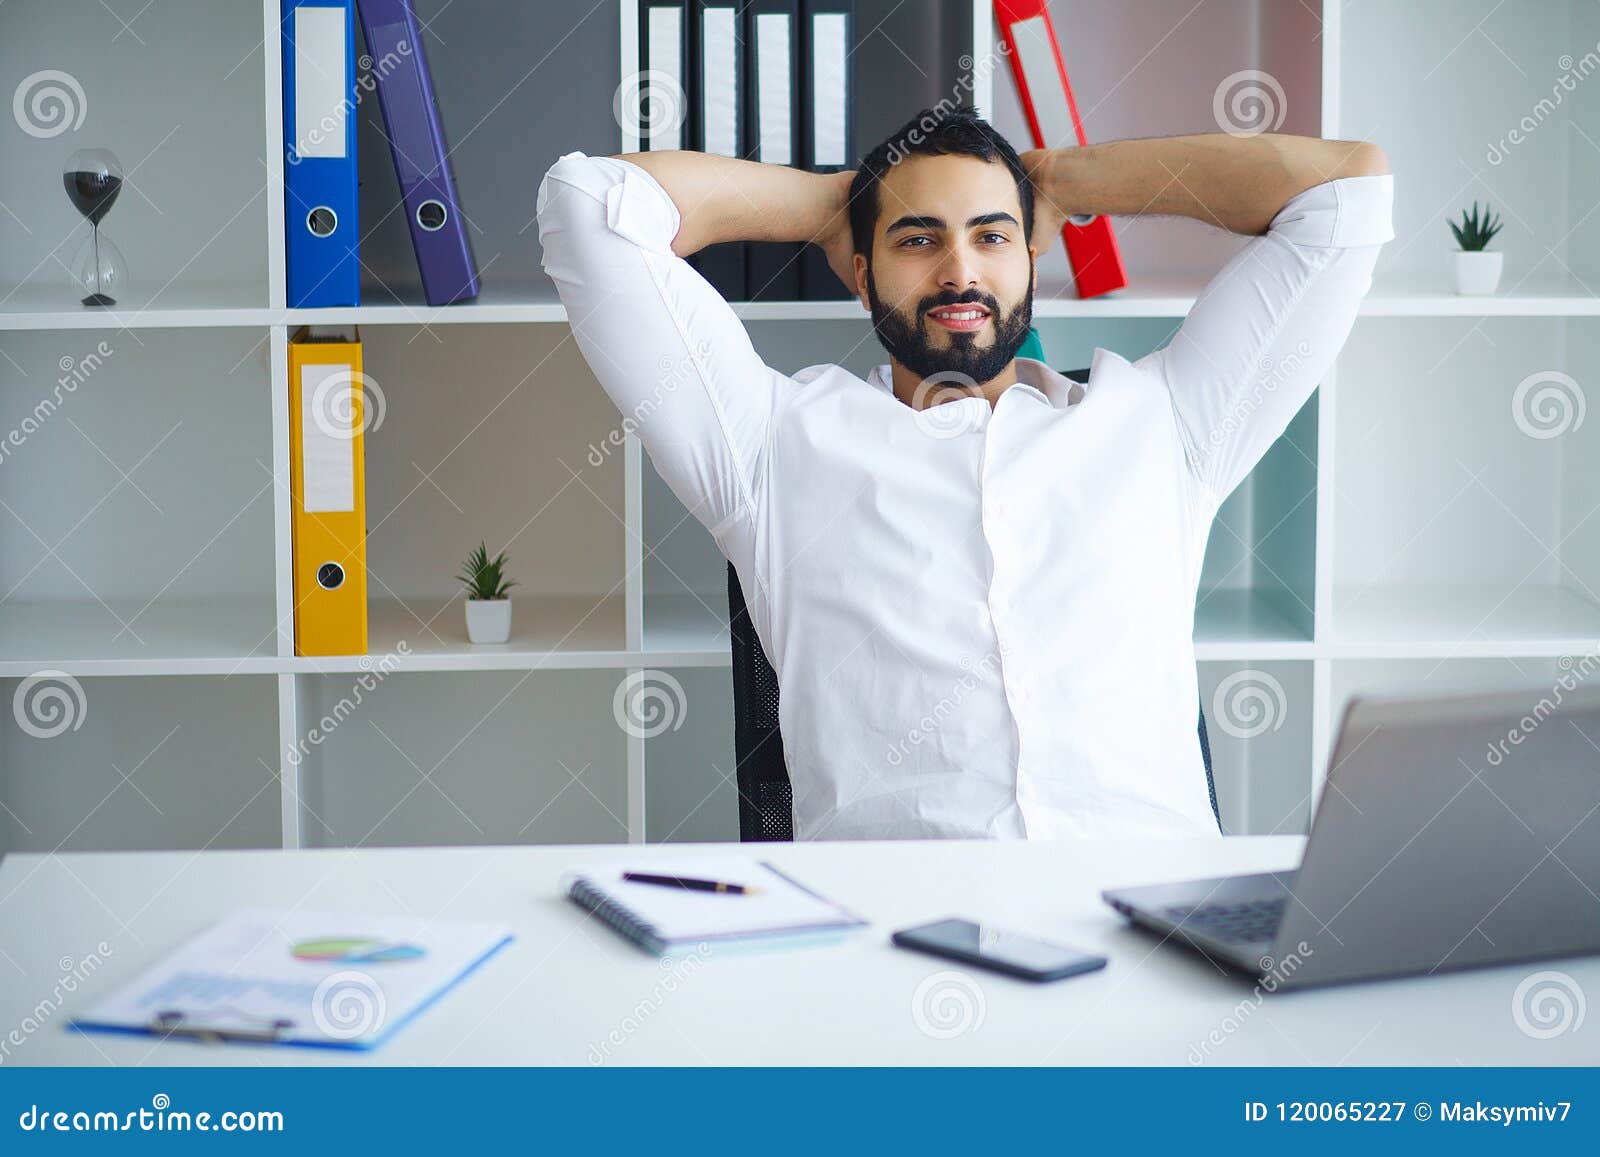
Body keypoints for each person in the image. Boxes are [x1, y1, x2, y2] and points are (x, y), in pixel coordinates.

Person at [536, 107, 1391, 841]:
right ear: (861, 272)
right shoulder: (767, 445)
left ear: (1030, 260)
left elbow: (1344, 196)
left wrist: (1065, 182)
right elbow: (587, 205)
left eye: (993, 235)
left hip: (1158, 937)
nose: (960, 271)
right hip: (893, 951)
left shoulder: (1166, 422)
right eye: (917, 239)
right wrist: (833, 202)